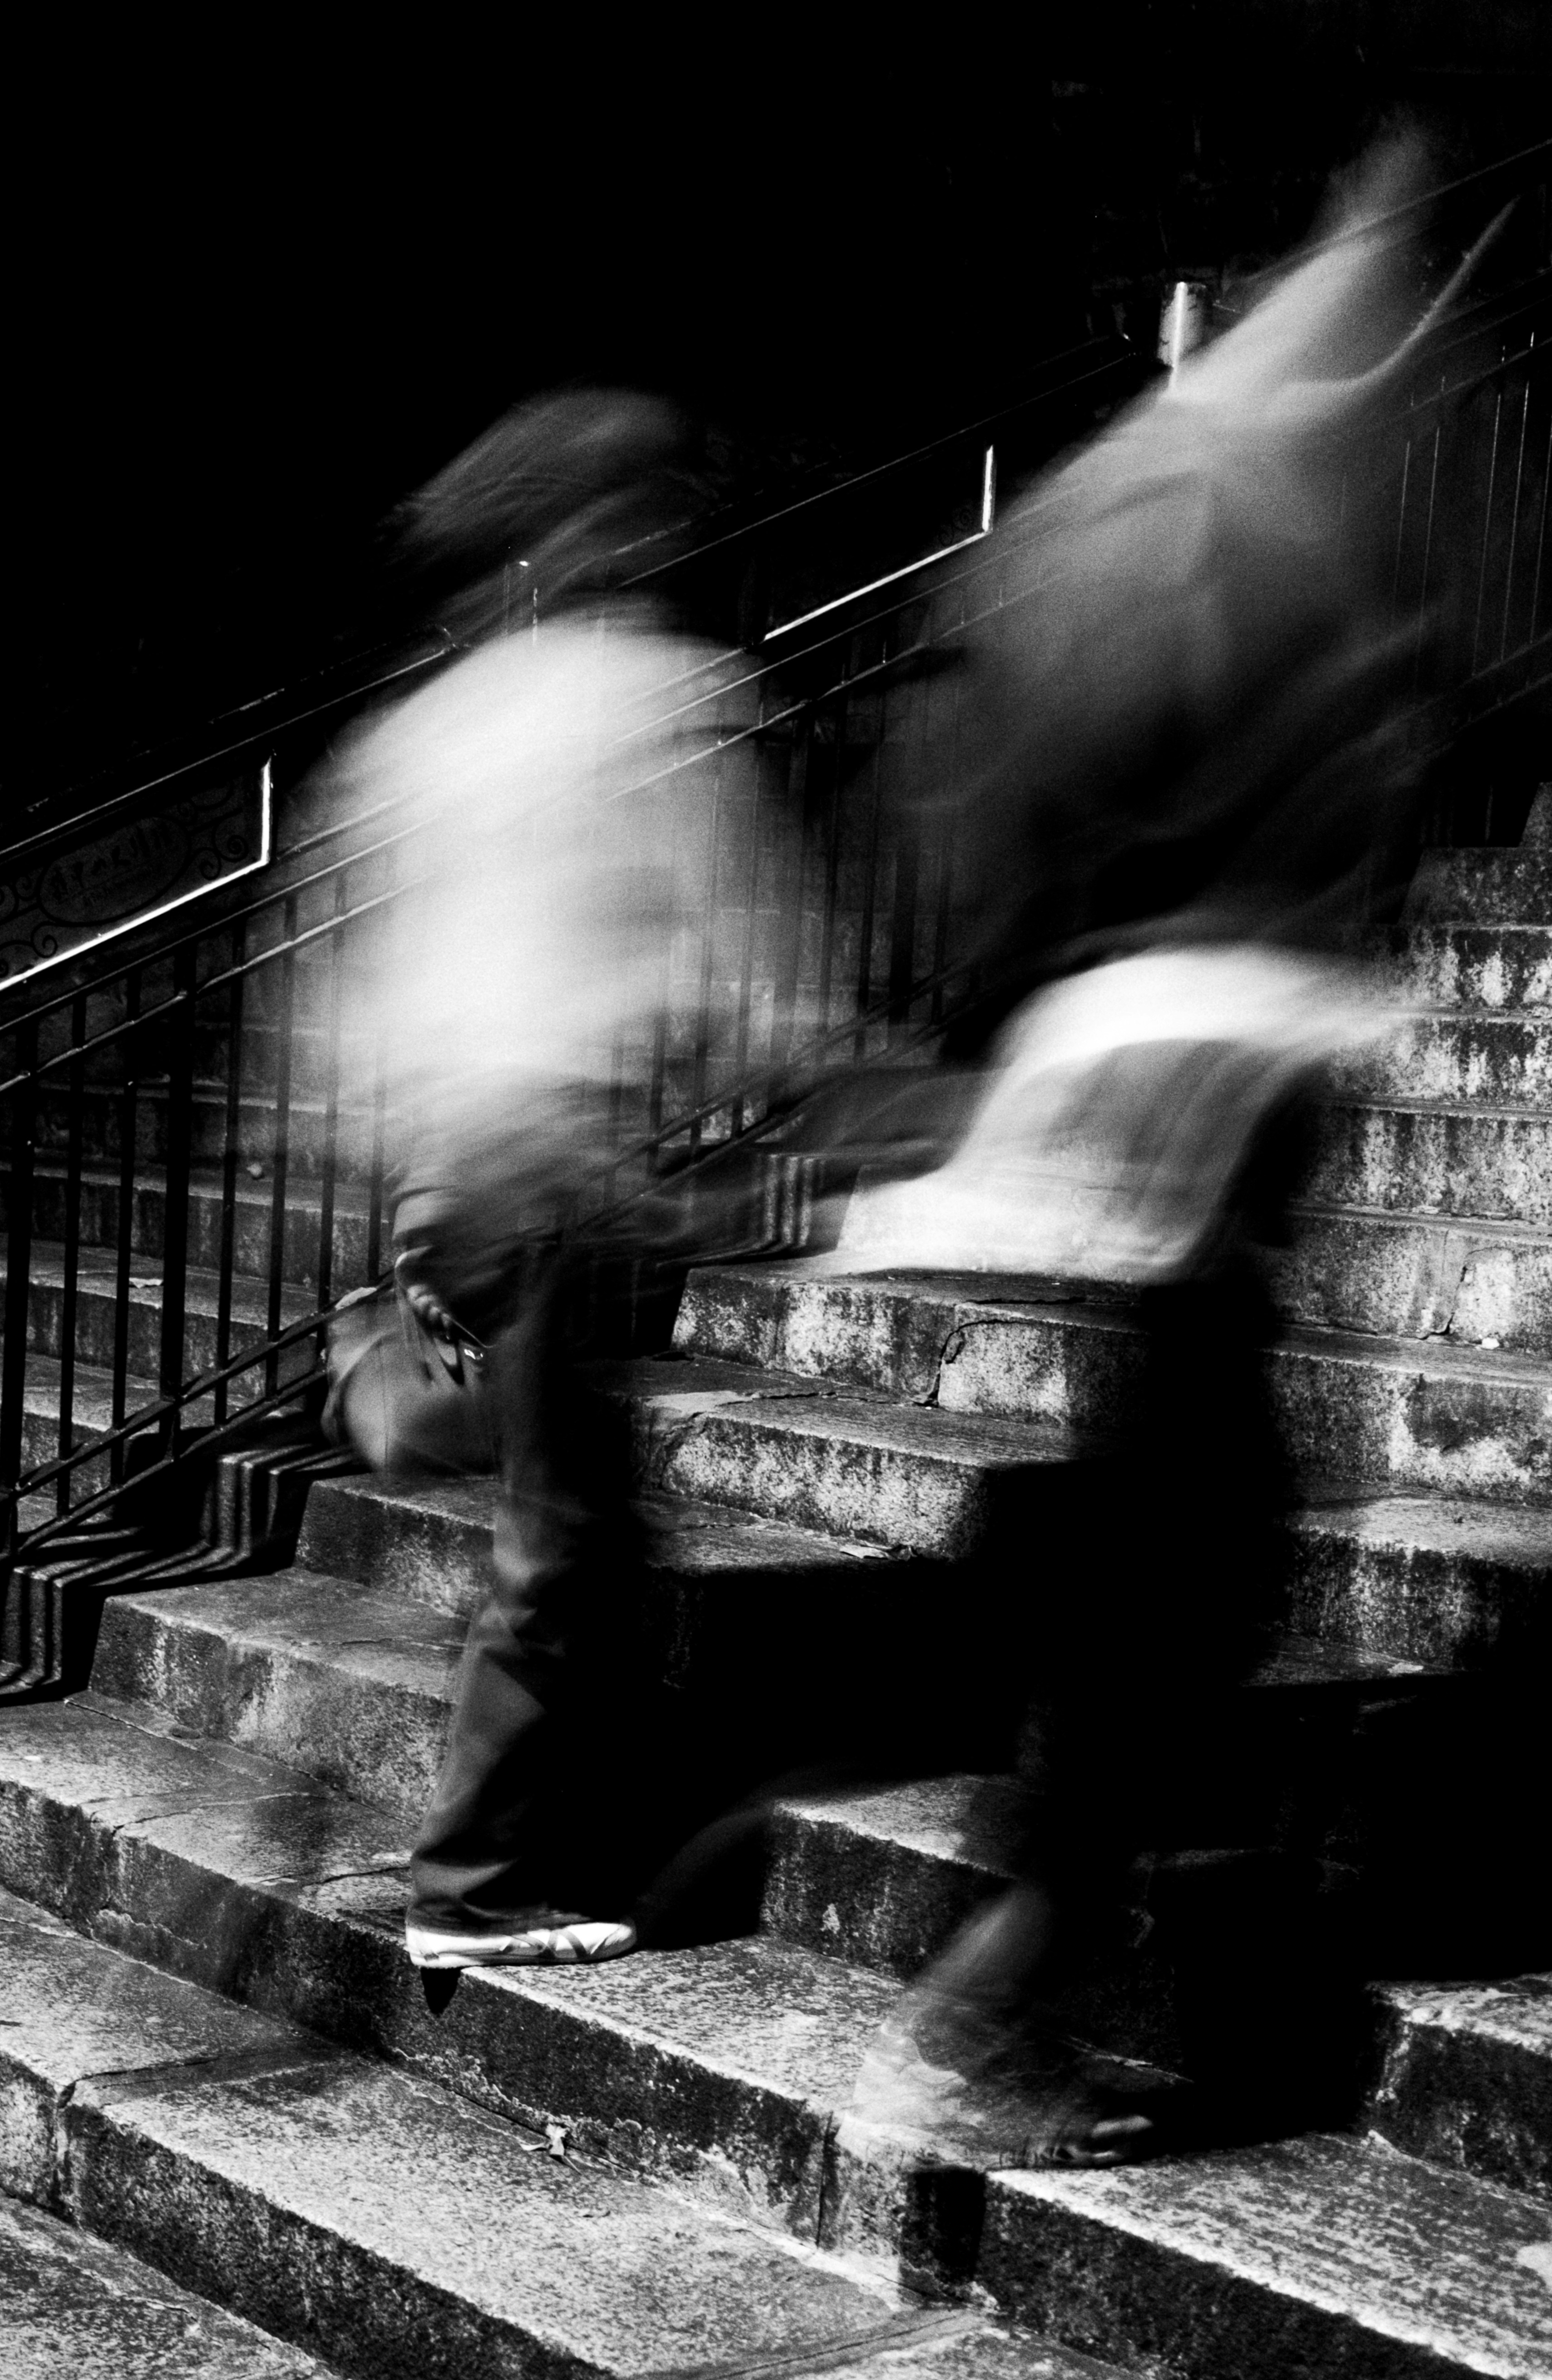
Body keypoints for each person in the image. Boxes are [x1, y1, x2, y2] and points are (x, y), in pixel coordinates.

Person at [841, 149, 1460, 2168]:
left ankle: (1020, 1945)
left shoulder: (1084, 519)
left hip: (1113, 1066)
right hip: (1193, 1067)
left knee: (1162, 1505)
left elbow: (975, 785)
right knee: (1182, 1533)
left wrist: (994, 1016)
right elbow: (1288, 789)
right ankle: (984, 2002)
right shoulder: (1226, 515)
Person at [323, 393, 746, 1972]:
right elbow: (736, 952)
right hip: (557, 1148)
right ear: (617, 527)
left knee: (571, 1513)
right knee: (565, 1535)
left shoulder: (428, 723)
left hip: (447, 1154)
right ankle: (476, 1888)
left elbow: (359, 983)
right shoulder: (655, 698)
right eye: (662, 512)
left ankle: (523, 1815)